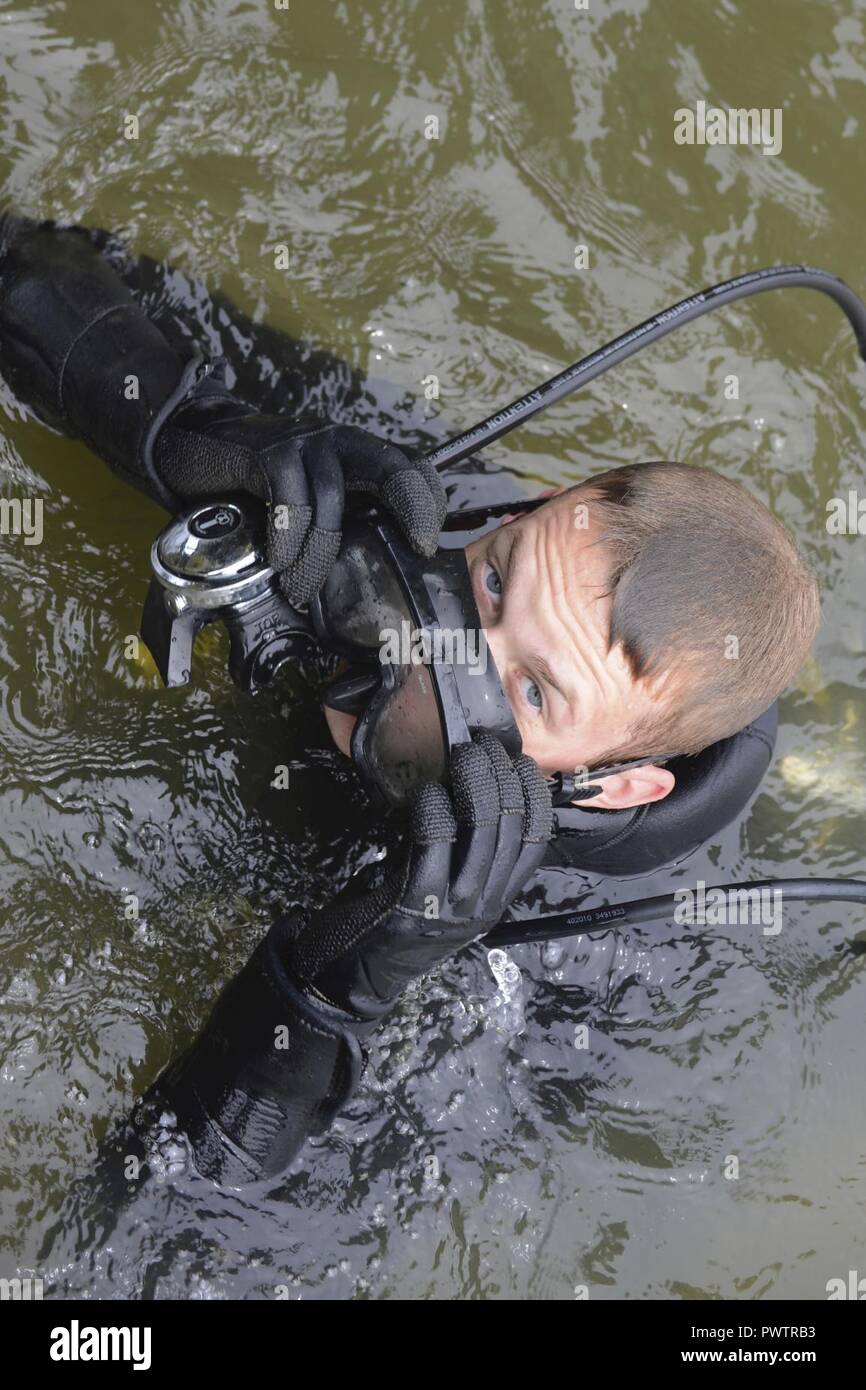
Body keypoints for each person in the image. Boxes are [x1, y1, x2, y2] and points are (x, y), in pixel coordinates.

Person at [0, 214, 820, 1184]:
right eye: (490, 584)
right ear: (518, 514)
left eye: (529, 689)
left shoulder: (577, 982)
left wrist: (333, 990)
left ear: (614, 784)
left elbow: (172, 1232)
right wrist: (186, 432)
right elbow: (24, 266)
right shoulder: (399, 489)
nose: (441, 651)